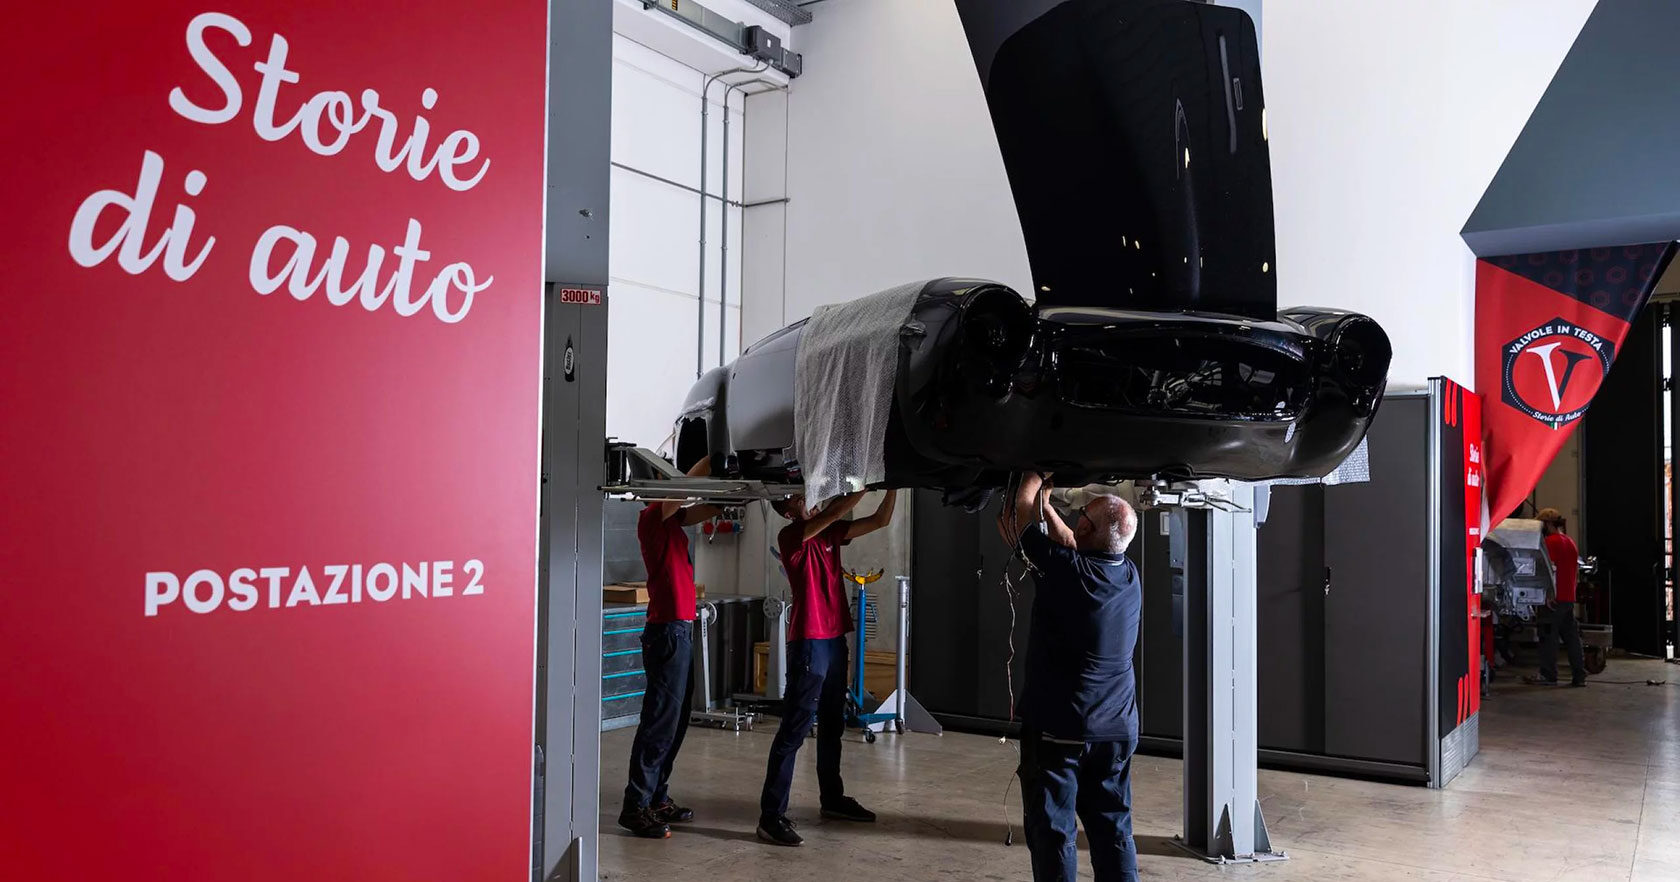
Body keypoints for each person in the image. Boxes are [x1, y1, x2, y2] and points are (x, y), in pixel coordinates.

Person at [999, 473, 1142, 882]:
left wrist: (1035, 472)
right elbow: (1075, 544)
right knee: (1113, 830)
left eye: (1082, 516)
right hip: (1115, 732)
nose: (1076, 518)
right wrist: (1047, 509)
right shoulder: (1128, 576)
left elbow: (1013, 517)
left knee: (1054, 833)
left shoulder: (1068, 572)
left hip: (1061, 731)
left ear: (1086, 528)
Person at [756, 488, 898, 847]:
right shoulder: (790, 536)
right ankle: (770, 817)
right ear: (788, 511)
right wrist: (867, 483)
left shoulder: (830, 534)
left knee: (833, 722)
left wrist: (893, 487)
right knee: (795, 728)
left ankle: (832, 798)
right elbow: (835, 514)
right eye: (799, 498)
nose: (809, 499)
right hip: (810, 640)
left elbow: (881, 520)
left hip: (835, 638)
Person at [618, 456, 723, 839]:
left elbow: (704, 508)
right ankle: (636, 806)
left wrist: (738, 489)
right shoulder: (651, 518)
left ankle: (657, 796)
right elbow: (682, 491)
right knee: (660, 722)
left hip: (680, 629)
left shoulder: (674, 521)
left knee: (676, 723)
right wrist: (712, 455)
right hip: (666, 633)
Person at [1531, 507, 1587, 688]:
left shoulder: (1550, 542)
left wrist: (1547, 593)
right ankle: (1579, 676)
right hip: (1568, 598)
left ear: (1547, 524)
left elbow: (1549, 571)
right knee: (1572, 639)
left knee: (1548, 637)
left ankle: (1548, 675)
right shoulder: (1570, 542)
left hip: (1553, 599)